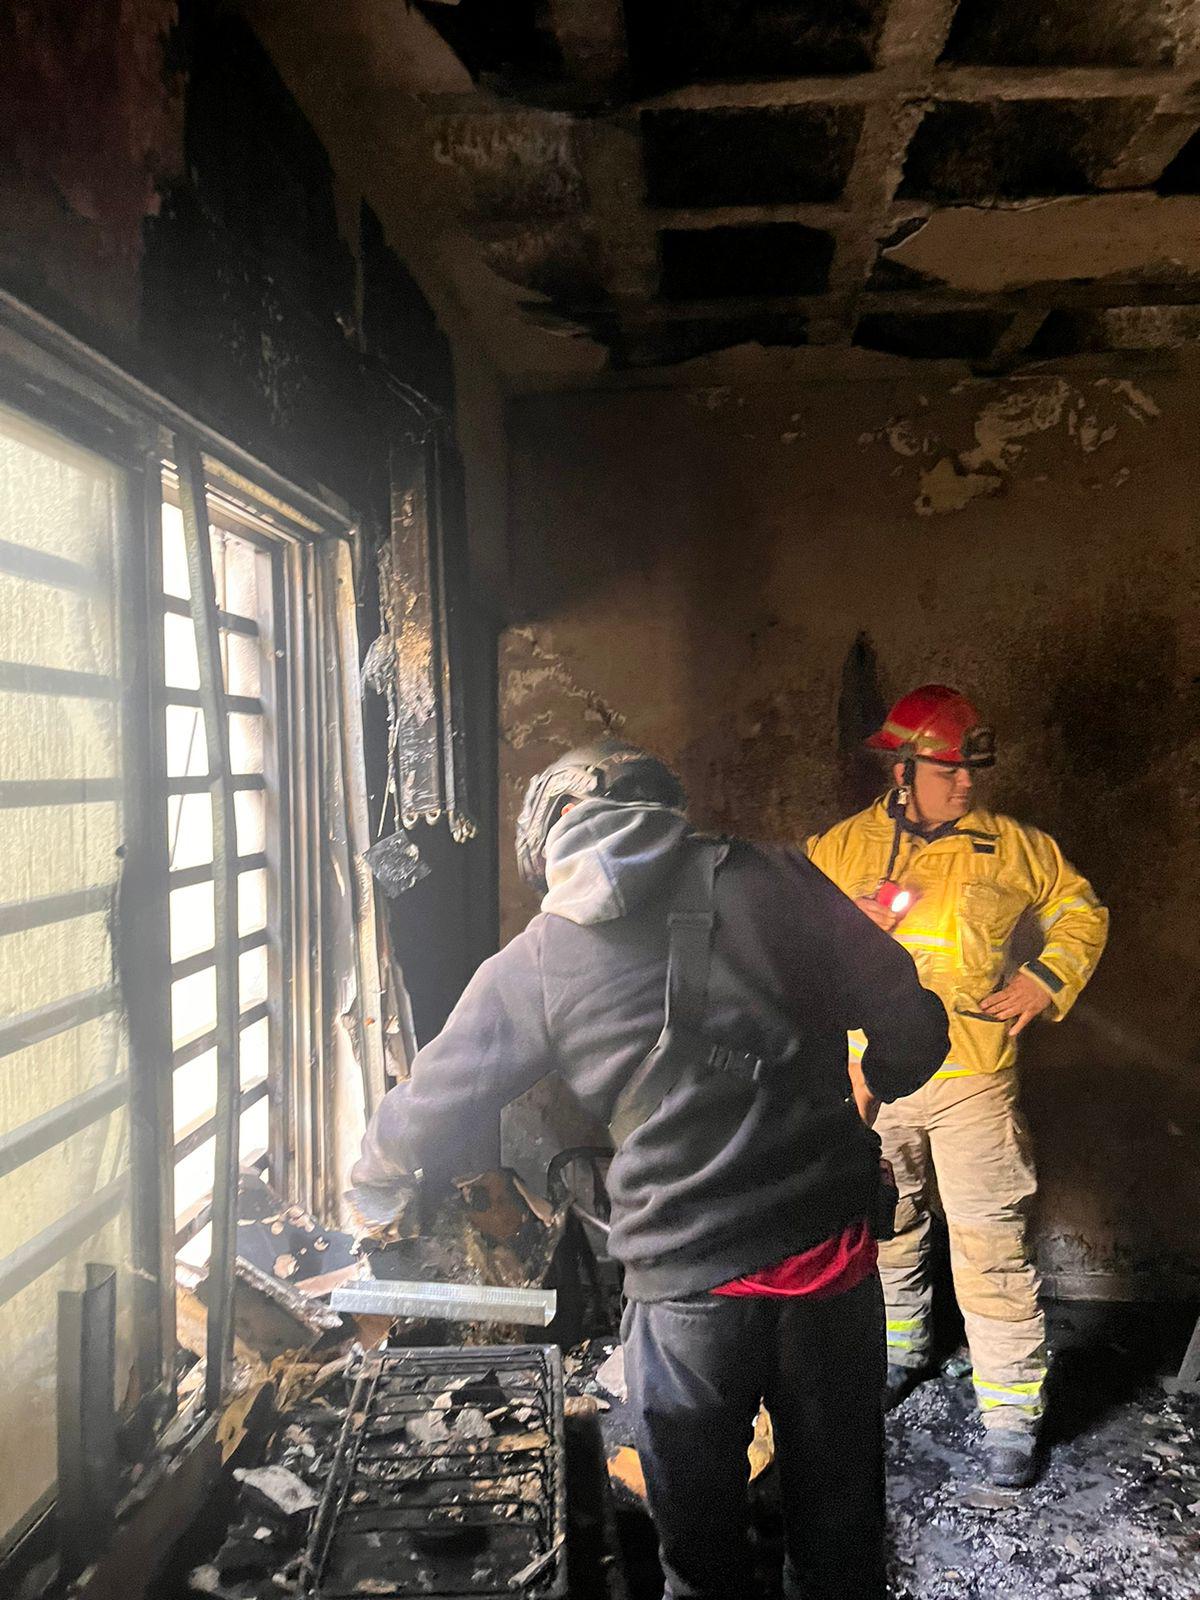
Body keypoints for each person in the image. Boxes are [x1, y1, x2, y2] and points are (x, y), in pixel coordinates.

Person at [351, 740, 949, 1600]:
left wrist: (368, 1187)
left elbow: (429, 1109)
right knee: (841, 1542)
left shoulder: (540, 957)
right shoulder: (777, 879)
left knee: (700, 1564)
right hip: (829, 1266)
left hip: (685, 1294)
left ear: (551, 839)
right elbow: (917, 1032)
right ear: (669, 809)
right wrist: (873, 1081)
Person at [807, 685, 1108, 1488]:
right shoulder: (837, 850)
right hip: (876, 1076)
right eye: (947, 770)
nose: (966, 784)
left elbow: (1081, 910)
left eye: (974, 770)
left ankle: (1011, 1415)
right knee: (890, 1226)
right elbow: (787, 945)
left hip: (974, 1076)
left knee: (992, 1244)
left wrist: (1044, 977)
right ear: (902, 770)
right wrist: (846, 932)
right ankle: (899, 1352)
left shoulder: (1012, 847)